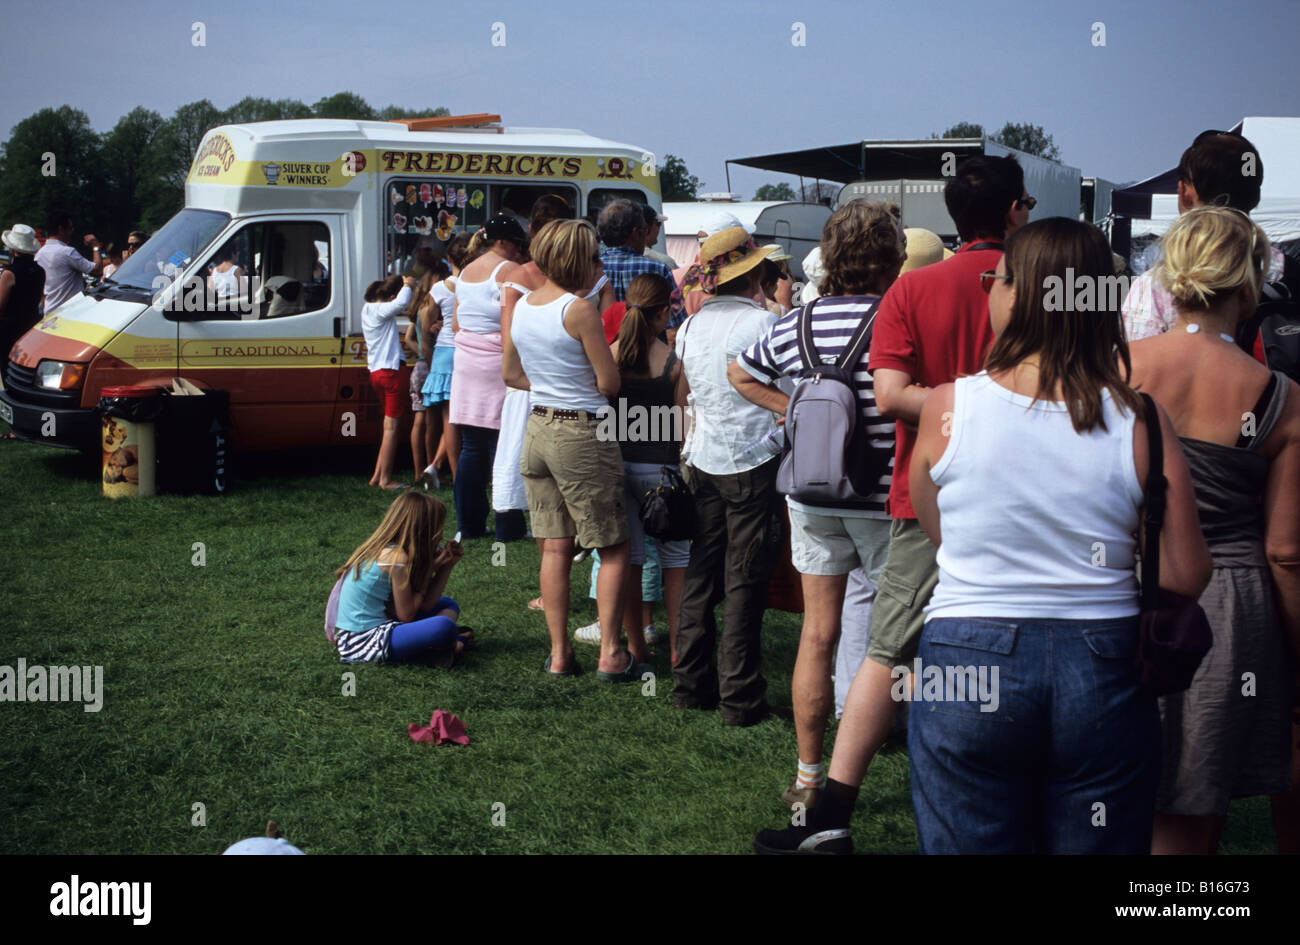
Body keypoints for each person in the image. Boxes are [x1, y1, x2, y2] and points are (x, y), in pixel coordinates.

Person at [903, 218, 1211, 854]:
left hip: (967, 653)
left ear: (1014, 294)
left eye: (995, 279)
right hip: (1103, 664)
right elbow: (1185, 572)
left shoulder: (946, 407)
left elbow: (941, 531)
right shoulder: (1141, 419)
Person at [752, 155, 1029, 852]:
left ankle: (815, 785)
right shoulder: (924, 303)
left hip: (861, 492)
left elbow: (744, 370)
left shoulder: (849, 311)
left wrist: (791, 413)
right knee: (936, 642)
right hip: (937, 491)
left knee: (845, 639)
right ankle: (951, 774)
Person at [1127, 206, 1300, 855]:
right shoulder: (1279, 395)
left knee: (1119, 798)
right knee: (1195, 816)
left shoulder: (1118, 366)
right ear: (1250, 282)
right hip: (1228, 610)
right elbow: (1285, 552)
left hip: (1123, 589)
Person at [731, 200, 902, 810]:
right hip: (883, 497)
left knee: (817, 633)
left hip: (810, 493)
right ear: (890, 257)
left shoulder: (796, 322)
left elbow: (740, 372)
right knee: (896, 640)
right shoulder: (897, 318)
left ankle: (807, 775)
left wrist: (795, 415)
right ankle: (892, 761)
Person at [503, 219, 646, 682]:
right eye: (593, 257)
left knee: (555, 548)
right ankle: (610, 652)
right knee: (614, 545)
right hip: (582, 432)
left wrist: (548, 385)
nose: (599, 266)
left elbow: (510, 373)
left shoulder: (522, 304)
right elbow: (609, 383)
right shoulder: (578, 309)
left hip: (538, 427)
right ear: (576, 260)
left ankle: (560, 654)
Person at [672, 226, 783, 725]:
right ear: (754, 272)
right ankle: (739, 698)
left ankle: (690, 684)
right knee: (743, 580)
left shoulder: (692, 326)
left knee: (702, 573)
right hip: (752, 460)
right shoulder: (765, 323)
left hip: (704, 460)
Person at [584, 274, 690, 665]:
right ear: (663, 313)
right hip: (662, 471)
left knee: (628, 559)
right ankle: (681, 651)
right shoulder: (673, 363)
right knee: (677, 560)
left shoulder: (608, 355)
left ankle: (634, 647)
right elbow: (681, 426)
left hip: (617, 467)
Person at [1123, 130, 1300, 353]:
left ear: (1184, 192)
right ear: (1255, 197)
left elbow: (1134, 375)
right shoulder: (1291, 276)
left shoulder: (1154, 286)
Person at [495, 196, 580, 545]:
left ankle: (517, 521)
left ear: (531, 230)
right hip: (571, 384)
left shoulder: (517, 277)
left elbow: (508, 340)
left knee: (520, 450)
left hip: (529, 380)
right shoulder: (585, 275)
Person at [449, 214, 527, 539]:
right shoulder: (508, 271)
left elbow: (456, 323)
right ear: (505, 243)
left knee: (472, 447)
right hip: (498, 361)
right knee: (504, 445)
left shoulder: (465, 270)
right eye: (518, 244)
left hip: (465, 361)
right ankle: (507, 525)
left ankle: (469, 524)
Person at [333, 491, 472, 666]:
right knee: (445, 626)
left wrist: (447, 566)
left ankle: (434, 649)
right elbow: (406, 615)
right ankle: (454, 645)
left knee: (448, 605)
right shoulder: (396, 558)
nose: (441, 536)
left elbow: (426, 604)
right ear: (423, 530)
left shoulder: (389, 550)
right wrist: (429, 571)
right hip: (363, 640)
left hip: (382, 623)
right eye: (438, 529)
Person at [422, 232, 472, 484]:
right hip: (468, 352)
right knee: (464, 419)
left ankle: (448, 471)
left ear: (448, 257)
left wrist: (432, 329)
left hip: (443, 352)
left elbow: (426, 318)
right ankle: (456, 474)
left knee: (448, 420)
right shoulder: (475, 285)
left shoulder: (440, 288)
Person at [361, 273, 416, 489]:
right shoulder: (382, 310)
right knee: (393, 428)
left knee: (388, 427)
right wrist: (408, 285)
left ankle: (377, 475)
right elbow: (402, 302)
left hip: (376, 372)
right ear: (391, 296)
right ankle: (386, 479)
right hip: (392, 372)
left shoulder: (367, 309)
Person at [405, 267, 446, 487]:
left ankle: (417, 471)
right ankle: (432, 468)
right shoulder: (435, 312)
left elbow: (410, 338)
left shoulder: (418, 308)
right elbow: (426, 342)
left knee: (419, 420)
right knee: (434, 424)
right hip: (429, 366)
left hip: (418, 367)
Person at [34, 210, 102, 314]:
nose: (72, 231)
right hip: (69, 312)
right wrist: (95, 246)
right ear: (61, 229)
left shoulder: (40, 254)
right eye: (70, 228)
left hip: (49, 310)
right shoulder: (67, 252)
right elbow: (96, 270)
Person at [0, 224, 47, 364]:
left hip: (10, 327)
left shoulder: (10, 273)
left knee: (8, 367)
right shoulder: (40, 270)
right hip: (31, 323)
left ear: (13, 249)